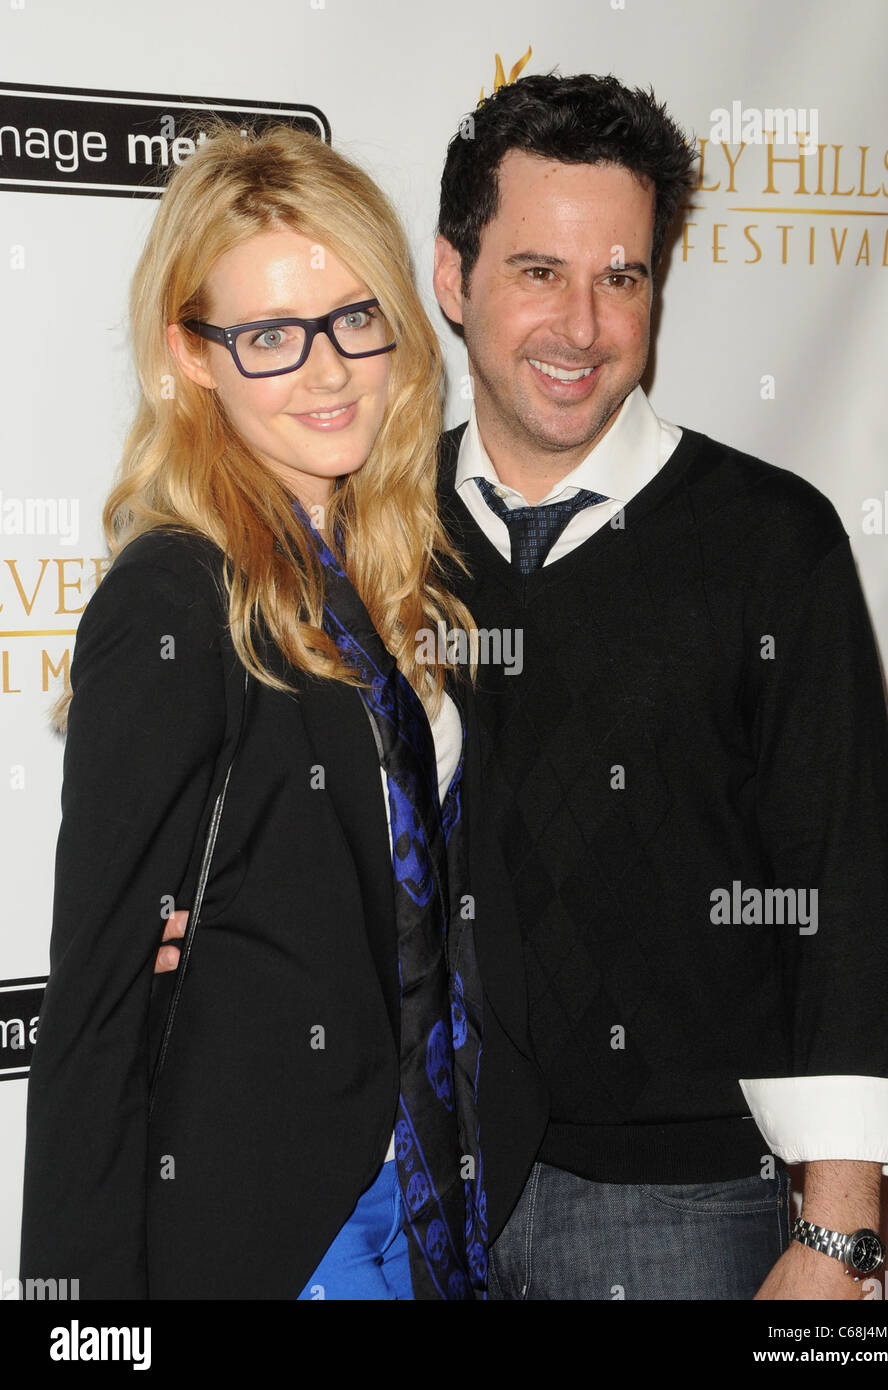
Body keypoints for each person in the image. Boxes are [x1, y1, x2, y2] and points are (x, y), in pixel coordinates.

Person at [18, 118, 546, 1301]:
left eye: (355, 318)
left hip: (437, 1196)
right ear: (190, 355)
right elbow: (97, 1003)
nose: (325, 368)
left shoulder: (391, 564)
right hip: (284, 1230)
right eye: (268, 335)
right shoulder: (174, 592)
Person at [425, 73, 888, 1299]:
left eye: (623, 276)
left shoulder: (770, 539)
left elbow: (837, 893)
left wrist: (839, 1239)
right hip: (417, 1191)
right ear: (454, 278)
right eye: (539, 270)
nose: (582, 325)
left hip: (687, 1213)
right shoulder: (382, 530)